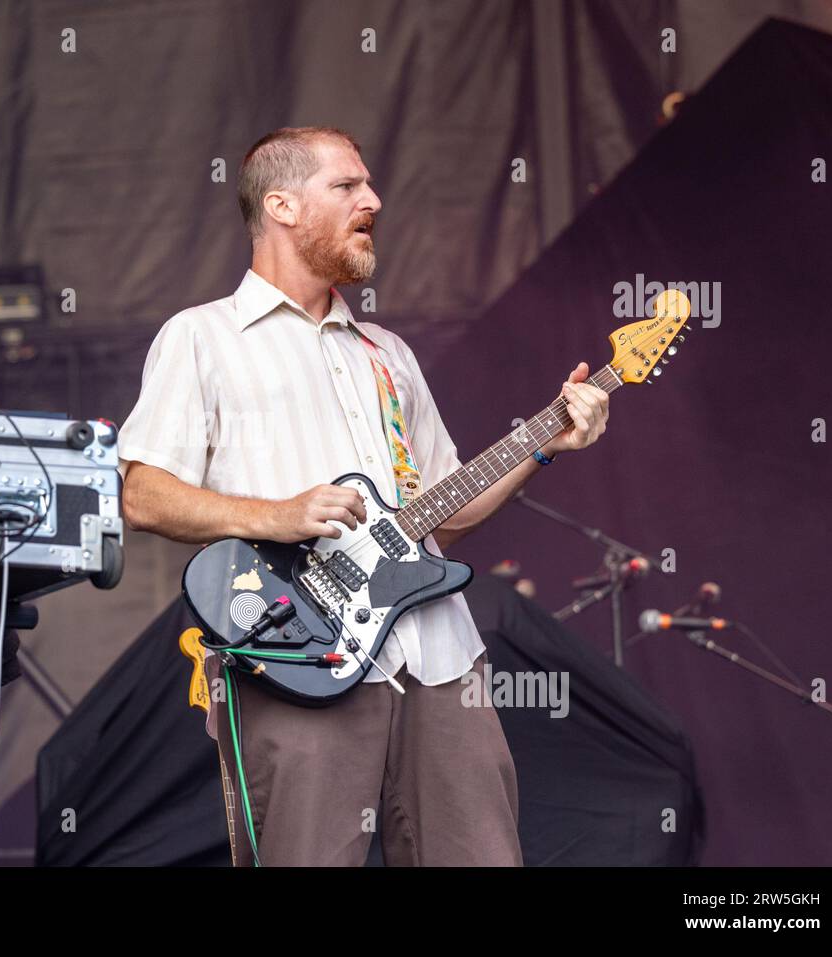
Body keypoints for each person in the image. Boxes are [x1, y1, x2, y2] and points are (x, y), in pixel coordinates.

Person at [117, 126, 610, 866]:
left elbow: (450, 511)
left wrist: (546, 440)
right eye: (346, 186)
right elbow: (143, 494)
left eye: (369, 186)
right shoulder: (202, 338)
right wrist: (274, 516)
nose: (372, 200)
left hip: (439, 660)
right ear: (281, 204)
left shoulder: (388, 354)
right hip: (296, 659)